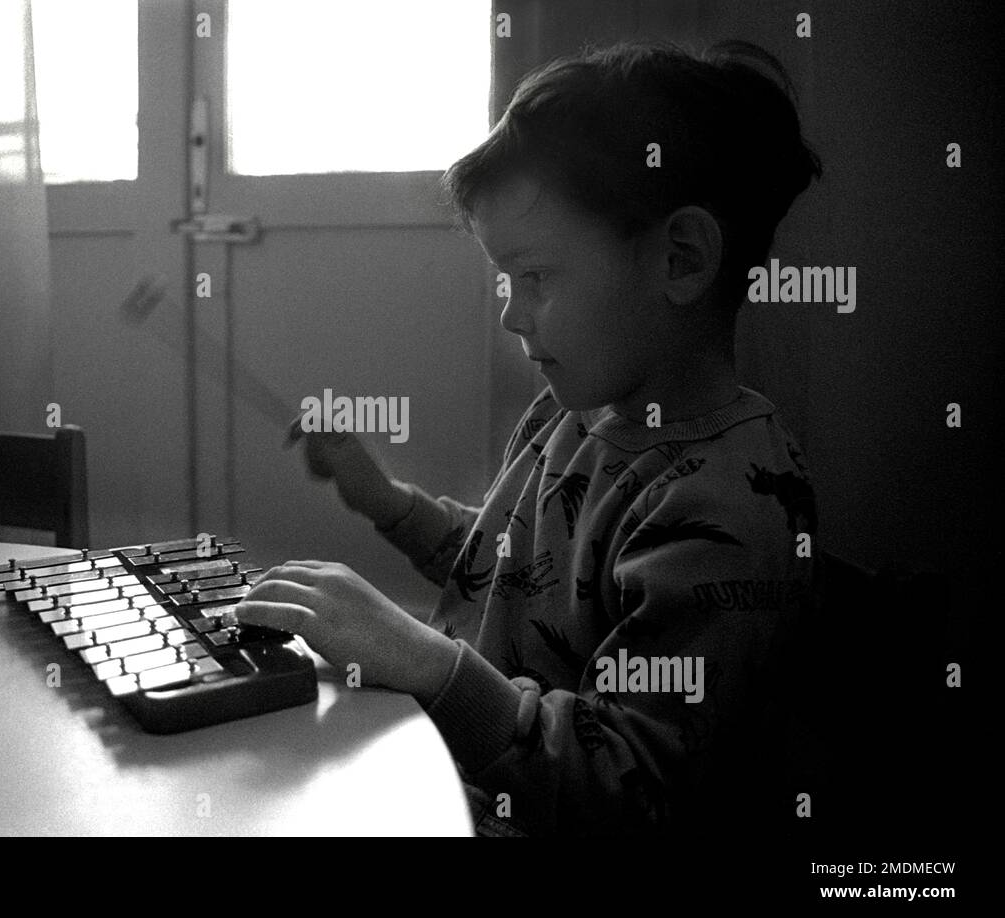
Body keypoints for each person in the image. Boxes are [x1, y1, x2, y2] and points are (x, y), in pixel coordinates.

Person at [237, 39, 823, 838]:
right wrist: (385, 500)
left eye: (536, 277)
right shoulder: (570, 414)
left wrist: (426, 661)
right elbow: (511, 577)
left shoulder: (723, 505)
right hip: (457, 791)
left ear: (680, 259)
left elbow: (627, 788)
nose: (511, 315)